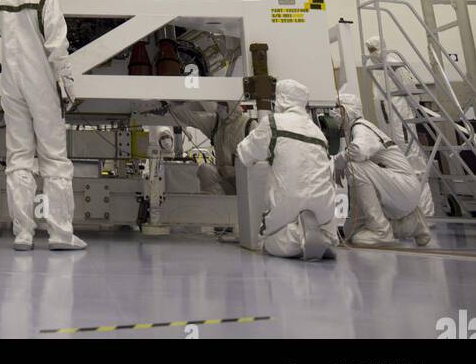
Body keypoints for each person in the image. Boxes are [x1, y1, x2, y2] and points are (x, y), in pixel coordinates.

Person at [0, 0, 85, 251]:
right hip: (41, 82)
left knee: (18, 157)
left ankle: (23, 233)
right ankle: (60, 234)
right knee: (54, 158)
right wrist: (67, 81)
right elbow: (56, 45)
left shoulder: (3, 0)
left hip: (11, 82)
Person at [236, 78, 338, 260]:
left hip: (289, 203)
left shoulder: (273, 123)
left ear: (280, 99)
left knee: (268, 242)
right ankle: (323, 236)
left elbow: (245, 153)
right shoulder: (317, 132)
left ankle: (299, 238)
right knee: (323, 221)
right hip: (324, 206)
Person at [337, 89, 432, 247]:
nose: (334, 113)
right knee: (353, 234)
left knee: (355, 166)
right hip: (404, 190)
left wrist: (337, 161)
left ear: (347, 110)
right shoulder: (358, 129)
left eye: (337, 108)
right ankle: (412, 224)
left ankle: (381, 231)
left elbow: (358, 151)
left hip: (403, 187)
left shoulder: (361, 128)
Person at [364, 35, 434, 221]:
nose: (372, 52)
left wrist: (413, 108)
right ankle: (406, 210)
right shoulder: (374, 66)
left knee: (413, 160)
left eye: (374, 48)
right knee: (395, 162)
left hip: (401, 116)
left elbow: (409, 88)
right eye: (369, 49)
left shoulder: (392, 61)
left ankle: (425, 212)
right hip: (388, 119)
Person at [172, 100, 256, 195]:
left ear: (232, 105)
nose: (219, 107)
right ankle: (216, 205)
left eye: (223, 104)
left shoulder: (249, 125)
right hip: (224, 180)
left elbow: (260, 159)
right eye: (218, 104)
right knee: (205, 170)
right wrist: (173, 104)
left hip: (245, 180)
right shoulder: (215, 123)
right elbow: (191, 118)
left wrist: (236, 170)